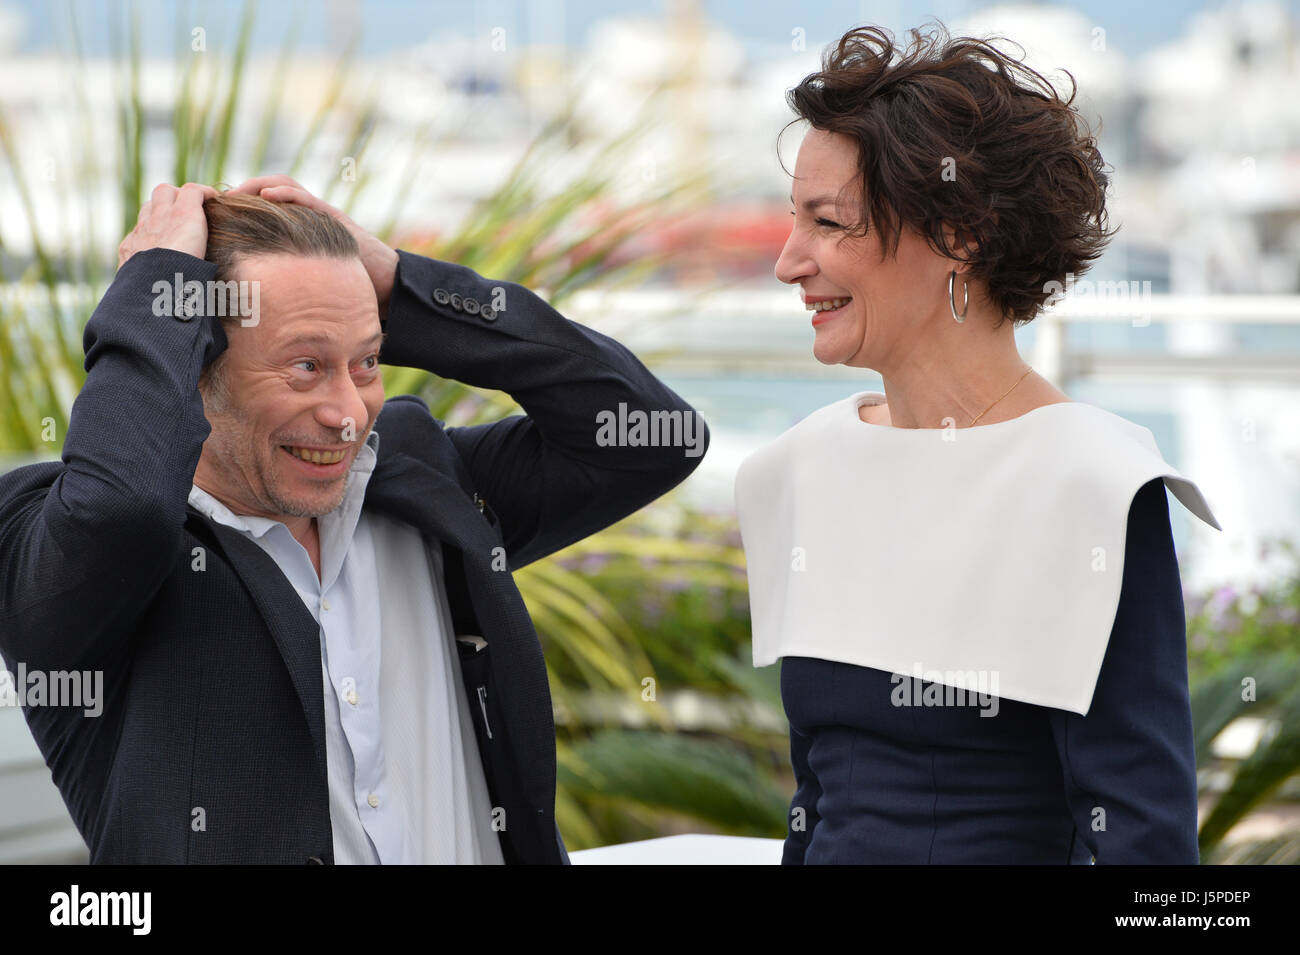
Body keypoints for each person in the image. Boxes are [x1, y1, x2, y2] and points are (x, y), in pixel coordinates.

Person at [0, 176, 708, 863]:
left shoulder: (424, 479)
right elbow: (122, 505)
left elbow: (656, 434)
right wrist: (158, 284)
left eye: (366, 362)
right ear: (196, 367)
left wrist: (403, 286)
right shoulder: (55, 545)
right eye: (306, 366)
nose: (346, 414)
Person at [734, 23, 1221, 864]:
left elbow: (1146, 851)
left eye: (827, 222)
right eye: (793, 221)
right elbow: (815, 803)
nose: (787, 262)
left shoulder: (1092, 485)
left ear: (959, 234)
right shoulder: (799, 469)